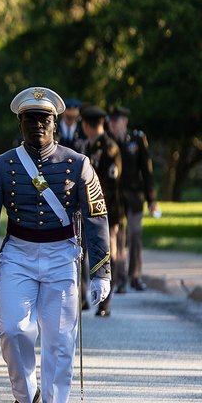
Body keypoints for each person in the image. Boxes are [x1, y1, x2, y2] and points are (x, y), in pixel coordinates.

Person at [0, 86, 111, 403]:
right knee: (14, 331)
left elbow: (97, 217)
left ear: (55, 123)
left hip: (60, 254)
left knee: (60, 341)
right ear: (20, 123)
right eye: (30, 119)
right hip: (18, 252)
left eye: (44, 119)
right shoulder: (1, 166)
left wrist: (101, 271)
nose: (38, 125)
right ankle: (25, 393)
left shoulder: (77, 163)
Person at [79, 105, 122, 316]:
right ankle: (82, 297)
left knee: (106, 255)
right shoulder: (85, 146)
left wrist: (109, 216)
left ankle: (105, 302)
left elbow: (112, 185)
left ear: (87, 125)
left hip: (107, 212)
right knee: (81, 253)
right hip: (85, 212)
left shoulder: (110, 148)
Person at [109, 106, 156, 292]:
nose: (114, 125)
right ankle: (120, 280)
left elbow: (147, 170)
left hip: (135, 196)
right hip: (116, 198)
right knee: (118, 237)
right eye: (111, 121)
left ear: (124, 122)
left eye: (117, 121)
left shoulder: (136, 139)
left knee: (135, 234)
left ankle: (135, 275)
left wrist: (152, 198)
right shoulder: (108, 141)